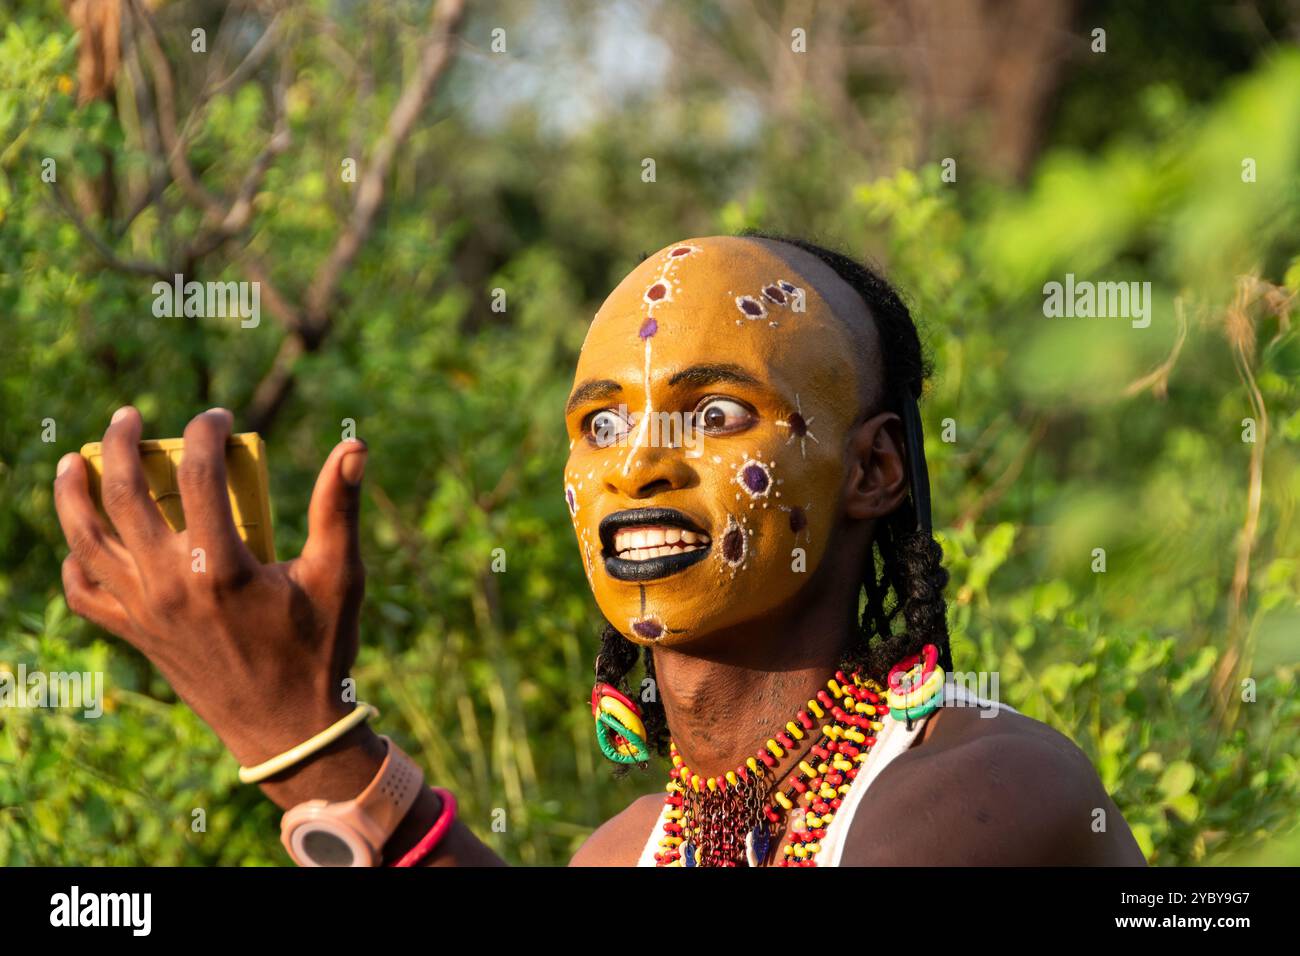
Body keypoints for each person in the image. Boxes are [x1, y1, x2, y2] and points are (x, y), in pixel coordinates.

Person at [53, 234, 1145, 866]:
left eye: (715, 415)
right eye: (603, 423)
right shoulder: (621, 849)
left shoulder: (991, 789)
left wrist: (306, 739)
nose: (638, 467)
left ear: (872, 472)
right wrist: (298, 737)